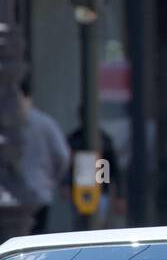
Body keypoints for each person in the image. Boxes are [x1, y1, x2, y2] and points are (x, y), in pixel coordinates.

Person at [19, 81, 71, 235]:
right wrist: (52, 180)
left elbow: (63, 156)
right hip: (40, 189)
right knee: (35, 237)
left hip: (20, 192)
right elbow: (62, 156)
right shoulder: (45, 123)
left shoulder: (3, 122)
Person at [66, 108, 124, 227]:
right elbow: (67, 166)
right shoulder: (73, 140)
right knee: (79, 223)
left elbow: (114, 169)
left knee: (98, 223)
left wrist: (120, 195)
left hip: (101, 189)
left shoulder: (105, 140)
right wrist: (65, 183)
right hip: (77, 189)